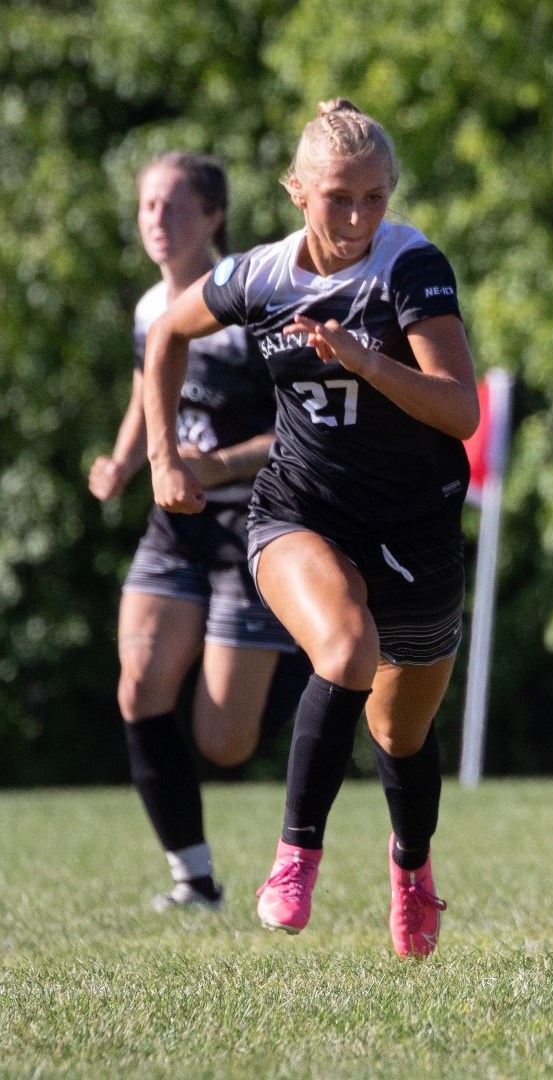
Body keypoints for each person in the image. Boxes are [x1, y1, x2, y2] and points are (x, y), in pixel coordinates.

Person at [144, 100, 479, 957]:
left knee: (401, 732)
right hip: (301, 510)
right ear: (297, 191)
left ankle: (412, 872)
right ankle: (294, 860)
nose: (360, 217)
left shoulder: (410, 269)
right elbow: (165, 339)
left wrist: (367, 361)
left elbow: (460, 410)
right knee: (345, 650)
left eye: (376, 196)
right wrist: (163, 456)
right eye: (339, 198)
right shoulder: (257, 277)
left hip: (417, 527)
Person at [90, 151, 306, 913]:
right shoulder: (152, 309)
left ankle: (320, 649)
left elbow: (299, 430)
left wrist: (207, 466)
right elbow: (149, 383)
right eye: (149, 206)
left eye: (175, 207)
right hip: (171, 530)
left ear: (214, 216)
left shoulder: (251, 304)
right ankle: (194, 879)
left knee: (225, 742)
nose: (158, 220)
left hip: (250, 530)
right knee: (140, 686)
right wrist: (124, 460)